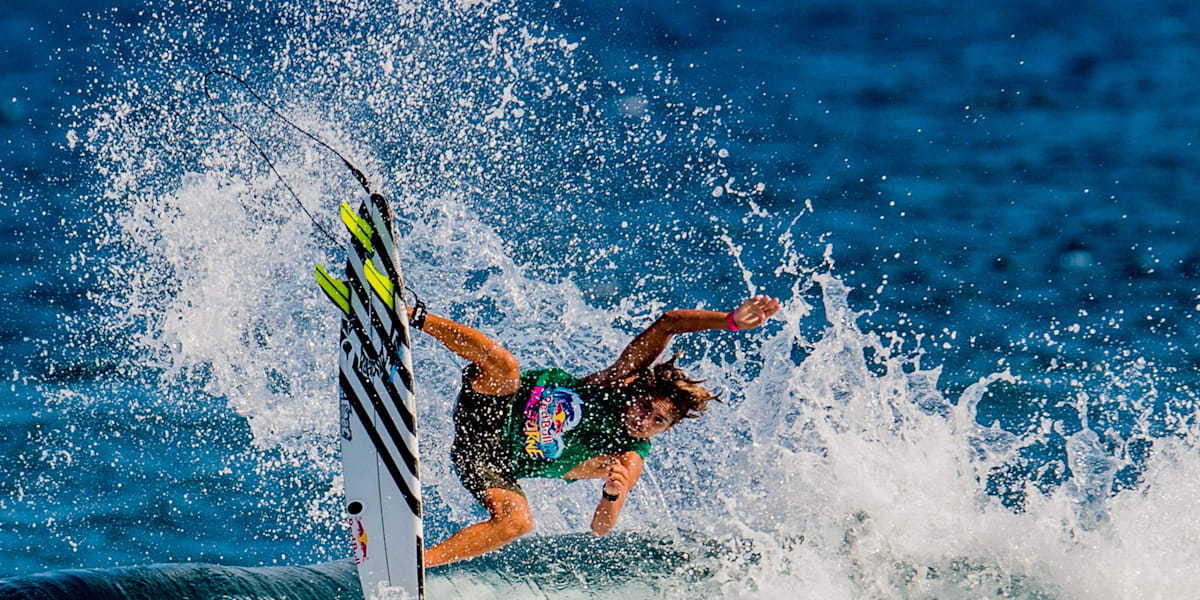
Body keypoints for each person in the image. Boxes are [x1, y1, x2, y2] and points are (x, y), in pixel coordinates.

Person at [410, 295, 782, 567]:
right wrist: (730, 321)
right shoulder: (615, 382)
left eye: (657, 422)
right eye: (646, 407)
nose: (644, 421)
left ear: (665, 431)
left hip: (489, 463)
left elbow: (601, 528)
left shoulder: (628, 457)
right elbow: (669, 323)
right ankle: (410, 314)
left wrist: (611, 493)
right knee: (506, 365)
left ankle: (417, 565)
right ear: (638, 391)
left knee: (518, 522)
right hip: (490, 407)